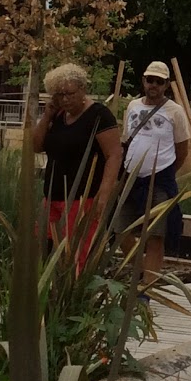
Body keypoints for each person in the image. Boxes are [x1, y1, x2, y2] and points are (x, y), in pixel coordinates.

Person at [33, 63, 122, 268]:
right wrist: (47, 116)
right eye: (60, 94)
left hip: (82, 198)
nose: (65, 99)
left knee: (74, 256)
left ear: (82, 89)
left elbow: (114, 154)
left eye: (70, 94)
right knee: (43, 249)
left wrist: (104, 194)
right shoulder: (58, 115)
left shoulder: (99, 115)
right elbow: (36, 146)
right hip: (52, 195)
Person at [117, 61, 191, 281]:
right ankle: (140, 270)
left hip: (159, 178)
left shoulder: (175, 111)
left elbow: (182, 149)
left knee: (156, 234)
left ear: (166, 85)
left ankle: (147, 287)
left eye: (159, 82)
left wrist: (165, 171)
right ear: (144, 81)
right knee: (120, 229)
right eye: (150, 80)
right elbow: (126, 139)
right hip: (131, 178)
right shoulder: (133, 106)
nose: (154, 85)